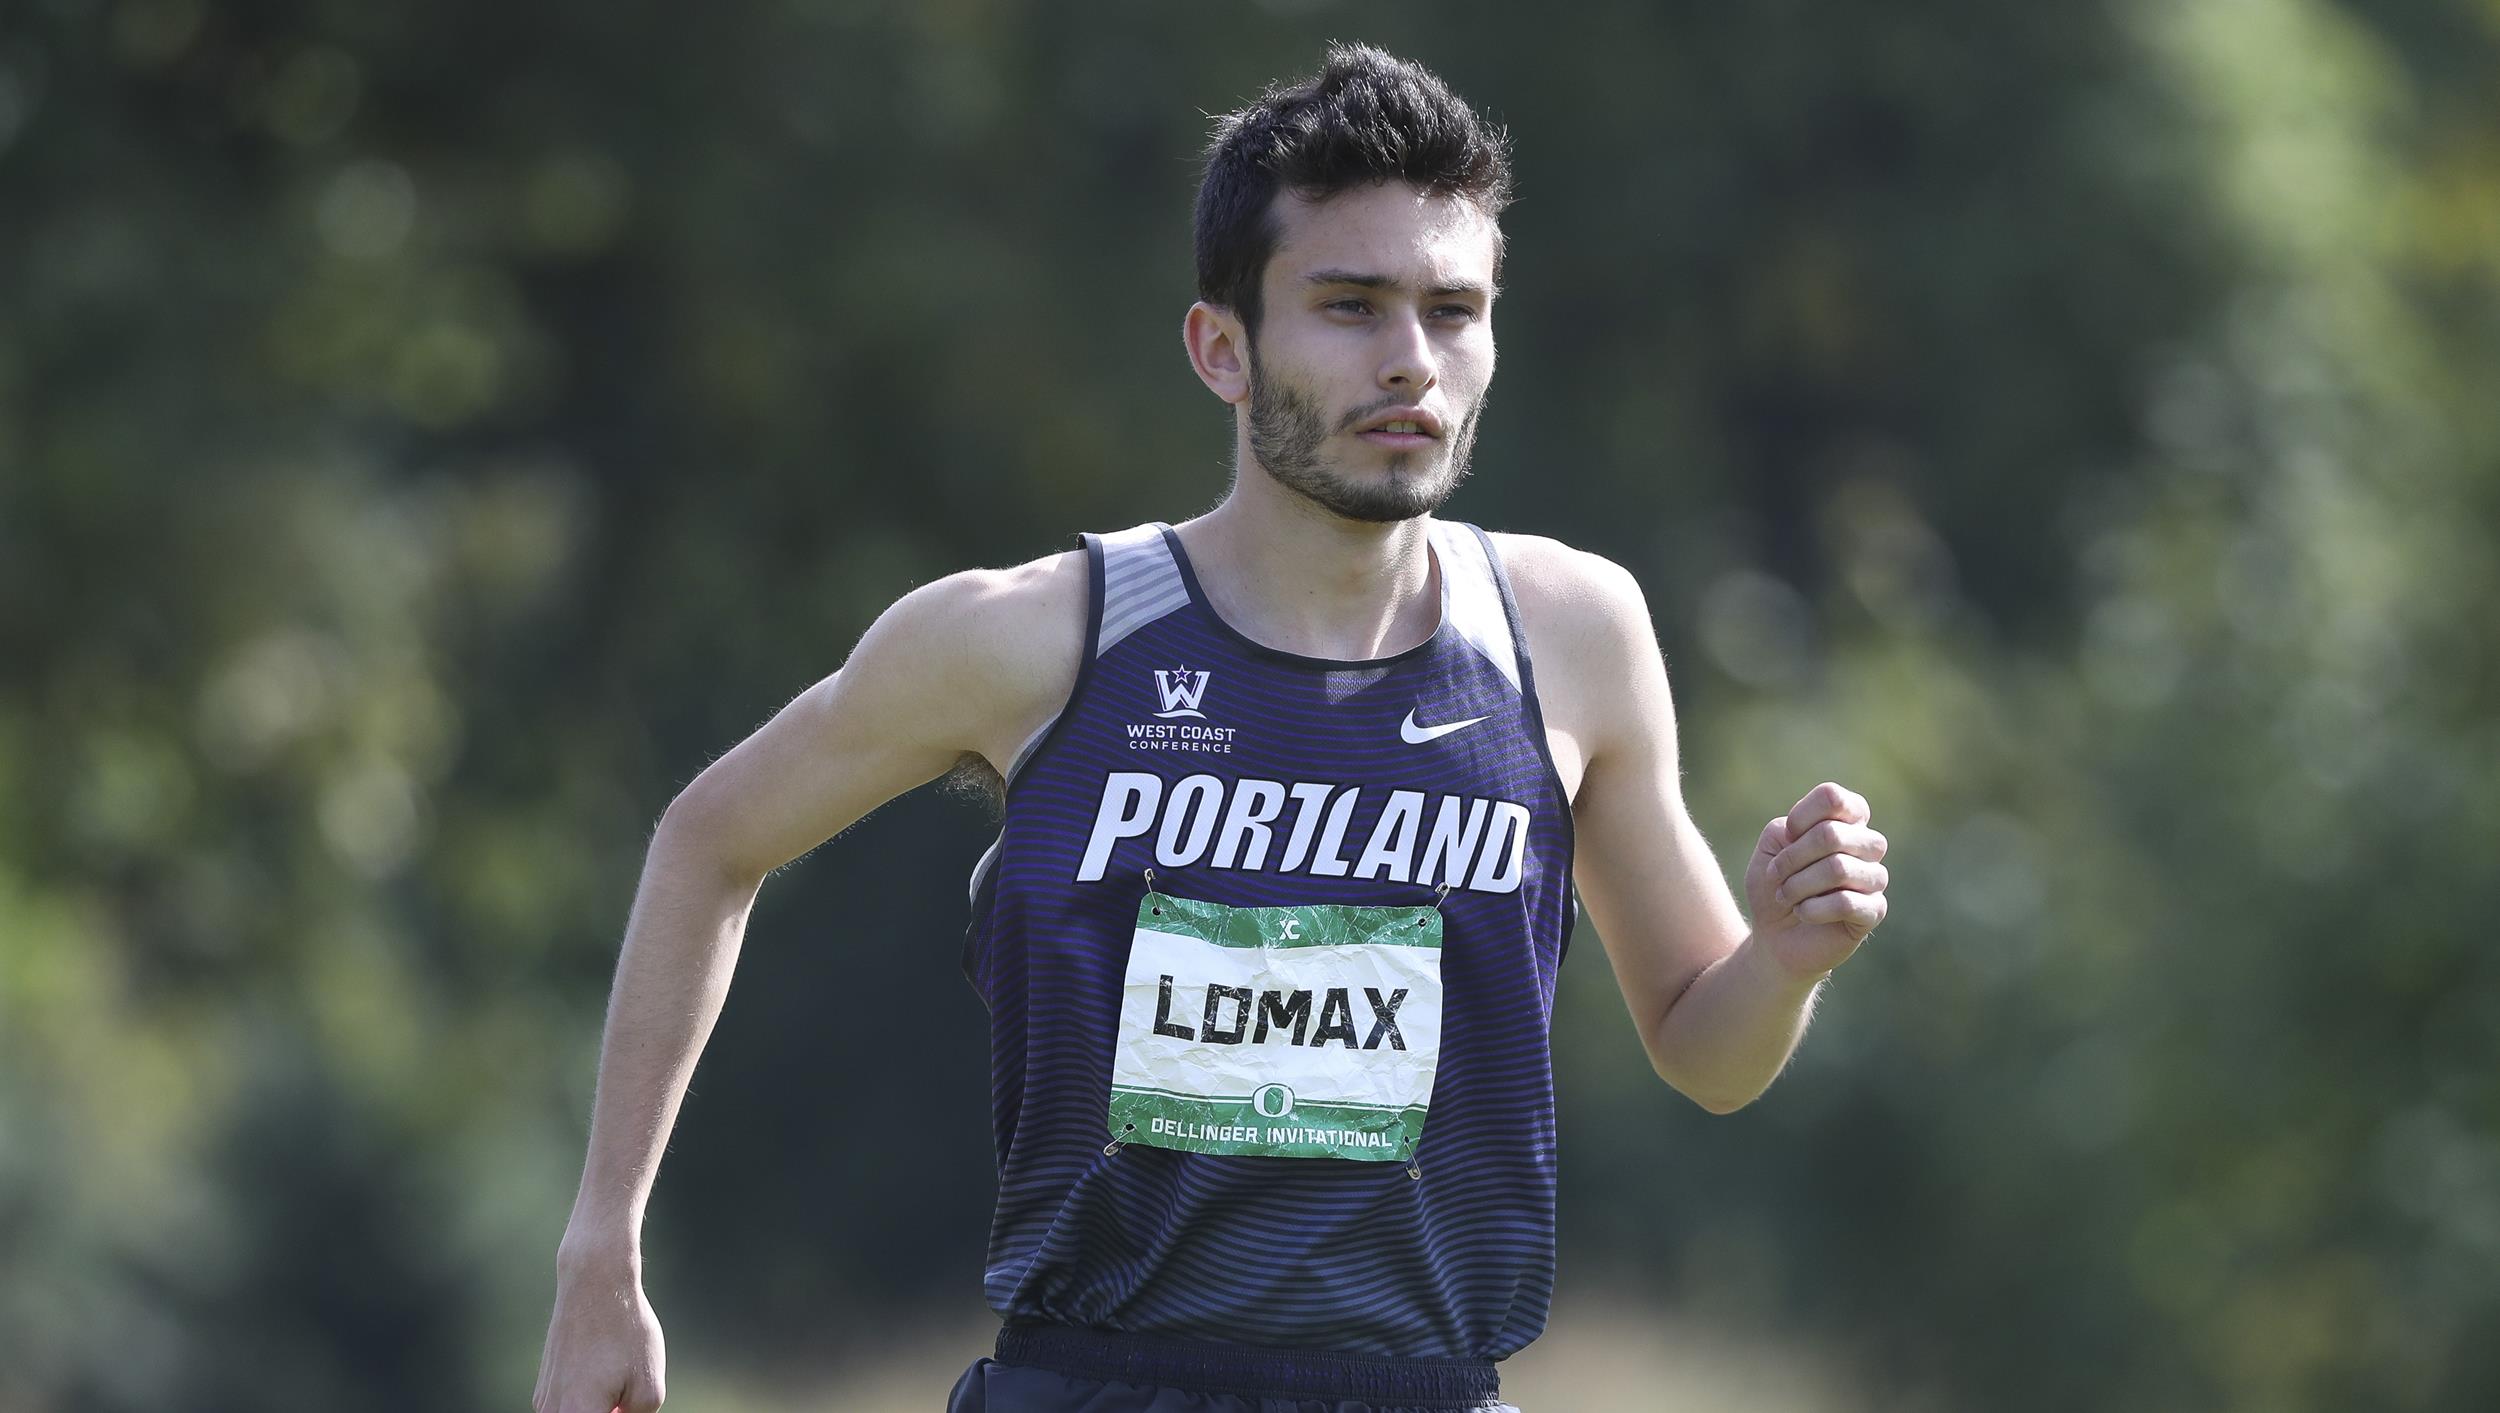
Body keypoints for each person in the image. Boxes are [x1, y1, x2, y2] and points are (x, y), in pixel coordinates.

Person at [534, 41, 1891, 1413]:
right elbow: (708, 839)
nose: (1410, 360)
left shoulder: (1573, 633)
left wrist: (1782, 959)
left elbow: (1704, 1046)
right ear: (1221, 347)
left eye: (1452, 309)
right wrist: (603, 1251)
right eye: (1350, 306)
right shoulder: (1033, 639)